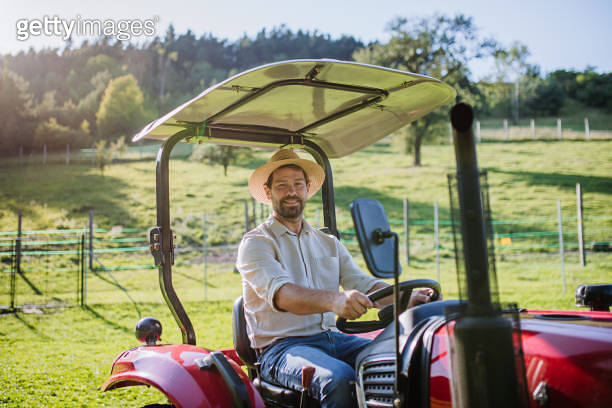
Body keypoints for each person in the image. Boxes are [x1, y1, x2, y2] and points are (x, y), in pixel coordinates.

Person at [236, 149, 433, 407]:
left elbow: (363, 284)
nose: (291, 192)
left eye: (297, 184)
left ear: (307, 188)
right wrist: (334, 301)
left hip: (334, 338)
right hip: (282, 349)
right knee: (338, 378)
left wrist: (407, 298)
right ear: (268, 191)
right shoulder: (256, 243)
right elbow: (283, 295)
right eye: (282, 186)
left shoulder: (328, 243)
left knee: (400, 363)